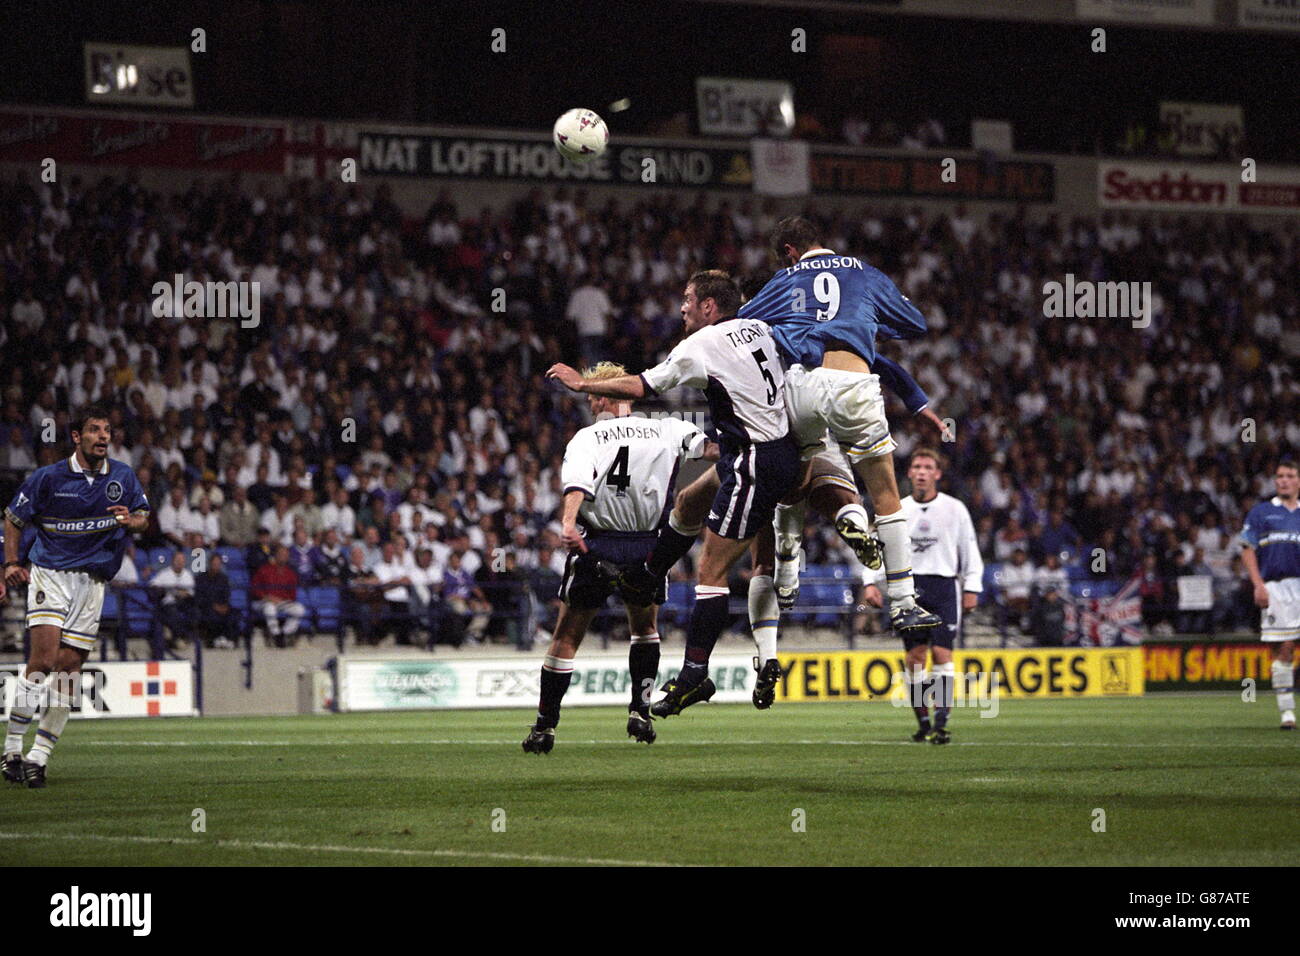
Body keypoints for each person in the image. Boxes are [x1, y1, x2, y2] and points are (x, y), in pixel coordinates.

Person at [548, 270, 799, 717]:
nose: (681, 307)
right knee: (688, 502)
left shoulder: (700, 346)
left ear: (708, 306)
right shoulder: (760, 327)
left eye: (687, 299)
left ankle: (694, 675)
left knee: (710, 570)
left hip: (754, 459)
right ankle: (650, 571)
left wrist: (583, 384)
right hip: (769, 451)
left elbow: (642, 386)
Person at [737, 217, 941, 636]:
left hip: (803, 384)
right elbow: (916, 324)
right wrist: (864, 321)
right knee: (885, 493)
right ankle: (903, 603)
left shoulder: (785, 279)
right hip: (854, 384)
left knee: (794, 482)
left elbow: (742, 323)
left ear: (790, 251)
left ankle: (788, 569)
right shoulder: (864, 272)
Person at [522, 361, 713, 752]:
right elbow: (710, 450)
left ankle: (545, 726)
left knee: (567, 637)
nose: (591, 406)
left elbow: (577, 484)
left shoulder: (587, 438)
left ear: (608, 394)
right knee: (644, 628)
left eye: (593, 397)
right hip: (647, 547)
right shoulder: (669, 427)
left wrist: (569, 523)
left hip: (598, 545)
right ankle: (640, 712)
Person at [1, 405, 150, 788]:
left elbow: (144, 518)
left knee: (69, 670)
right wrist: (11, 562)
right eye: (95, 430)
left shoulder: (123, 476)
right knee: (44, 660)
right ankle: (12, 746)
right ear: (76, 437)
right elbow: (13, 518)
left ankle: (38, 756)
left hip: (93, 583)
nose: (103, 437)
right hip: (51, 574)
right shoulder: (48, 478)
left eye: (107, 430)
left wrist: (129, 520)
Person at [864, 448, 982, 743]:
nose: (921, 472)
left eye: (928, 467)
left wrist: (972, 587)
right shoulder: (897, 509)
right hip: (909, 587)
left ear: (937, 474)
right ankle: (924, 722)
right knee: (915, 658)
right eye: (916, 466)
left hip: (944, 586)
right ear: (909, 473)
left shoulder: (955, 509)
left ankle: (941, 721)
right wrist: (869, 582)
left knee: (942, 654)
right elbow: (875, 548)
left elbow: (969, 548)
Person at [1240, 460, 1300, 730]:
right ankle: (1287, 712)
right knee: (1284, 649)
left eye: (1289, 476)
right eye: (1279, 476)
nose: (1283, 480)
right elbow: (1247, 548)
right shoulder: (1262, 512)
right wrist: (1258, 584)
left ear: (1298, 481)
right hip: (1276, 588)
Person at [250, 544, 305, 647]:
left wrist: (281, 600)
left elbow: (292, 595)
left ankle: (284, 633)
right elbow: (254, 589)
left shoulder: (290, 573)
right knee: (269, 607)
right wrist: (267, 597)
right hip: (262, 601)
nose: (283, 557)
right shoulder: (264, 569)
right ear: (275, 555)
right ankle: (275, 633)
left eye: (285, 555)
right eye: (281, 554)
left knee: (299, 609)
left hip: (281, 602)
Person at [148, 549, 196, 651]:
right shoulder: (165, 573)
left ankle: (183, 637)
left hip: (184, 602)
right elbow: (153, 584)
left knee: (195, 612)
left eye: (182, 560)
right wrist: (166, 590)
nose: (179, 562)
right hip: (168, 602)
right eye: (177, 560)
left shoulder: (187, 574)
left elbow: (191, 592)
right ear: (173, 561)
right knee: (172, 613)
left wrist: (184, 593)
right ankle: (179, 638)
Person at [194, 552, 236, 648]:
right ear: (210, 564)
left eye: (218, 564)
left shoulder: (223, 578)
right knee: (211, 614)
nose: (216, 566)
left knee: (234, 613)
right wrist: (214, 606)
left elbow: (226, 594)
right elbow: (200, 597)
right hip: (206, 606)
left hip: (221, 606)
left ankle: (229, 639)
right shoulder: (201, 578)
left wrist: (224, 606)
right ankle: (213, 640)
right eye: (214, 564)